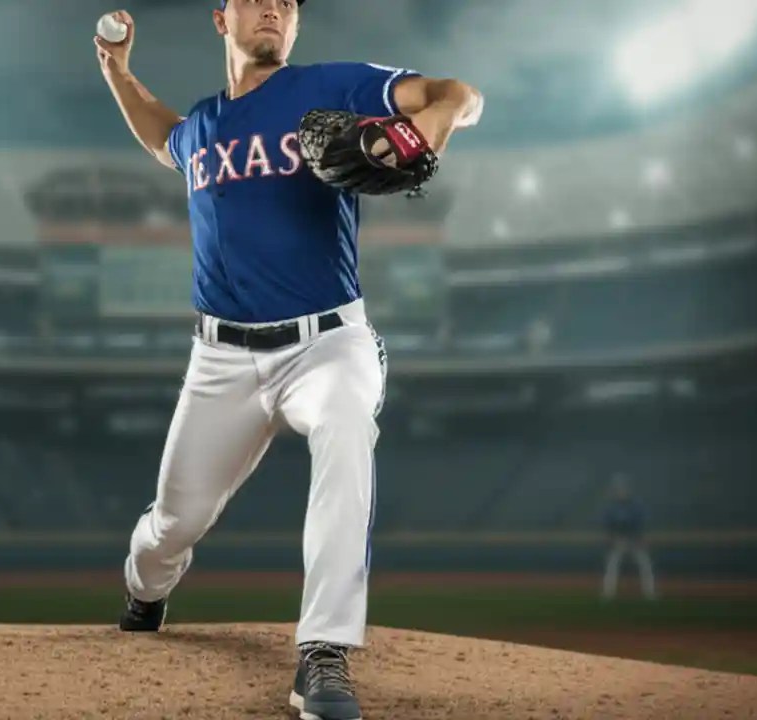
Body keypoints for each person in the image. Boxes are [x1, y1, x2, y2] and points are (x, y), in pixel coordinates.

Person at [95, 2, 482, 718]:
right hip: (219, 362)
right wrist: (118, 73)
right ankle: (145, 592)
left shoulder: (328, 88)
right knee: (171, 527)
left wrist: (421, 129)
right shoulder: (204, 128)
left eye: (288, 2)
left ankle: (323, 655)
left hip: (328, 342)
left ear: (295, 24)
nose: (274, 6)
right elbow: (162, 137)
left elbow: (459, 95)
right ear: (223, 19)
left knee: (344, 424)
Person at [600, 473, 658, 601]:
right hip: (618, 541)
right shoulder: (611, 507)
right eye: (619, 489)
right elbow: (607, 527)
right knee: (611, 565)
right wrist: (613, 540)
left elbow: (642, 525)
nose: (621, 491)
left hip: (634, 540)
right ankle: (608, 594)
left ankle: (650, 593)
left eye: (623, 489)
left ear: (629, 490)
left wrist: (639, 540)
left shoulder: (636, 505)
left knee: (645, 565)